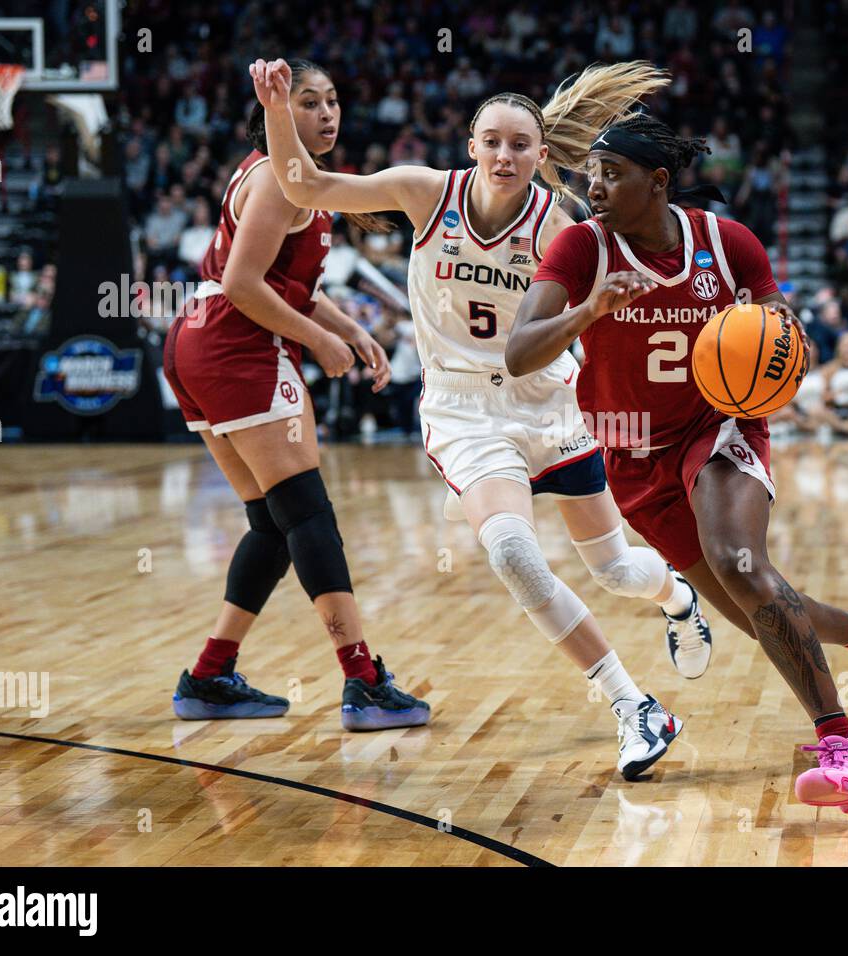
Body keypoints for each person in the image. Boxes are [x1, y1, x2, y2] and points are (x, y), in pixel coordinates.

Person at [253, 57, 705, 779]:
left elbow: (618, 320)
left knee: (617, 570)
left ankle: (678, 597)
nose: (504, 155)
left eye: (520, 145)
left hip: (549, 404)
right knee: (513, 556)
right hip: (466, 412)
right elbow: (304, 183)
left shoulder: (561, 227)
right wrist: (278, 108)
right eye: (491, 141)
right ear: (471, 146)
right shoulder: (425, 192)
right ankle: (633, 704)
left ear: (541, 156)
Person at [506, 114, 848, 815]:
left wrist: (787, 347)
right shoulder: (582, 248)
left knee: (742, 565)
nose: (594, 186)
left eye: (613, 174)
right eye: (592, 173)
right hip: (632, 451)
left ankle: (841, 748)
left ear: (658, 182)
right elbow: (519, 354)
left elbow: (786, 333)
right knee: (757, 609)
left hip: (717, 425)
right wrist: (586, 314)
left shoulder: (726, 245)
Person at [163, 59, 430, 732]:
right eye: (309, 103)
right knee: (309, 515)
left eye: (334, 100)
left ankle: (210, 675)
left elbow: (293, 286)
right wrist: (317, 341)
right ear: (277, 111)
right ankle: (364, 681)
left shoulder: (302, 181)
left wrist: (350, 330)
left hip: (199, 342)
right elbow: (245, 284)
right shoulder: (282, 185)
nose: (327, 113)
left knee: (273, 524)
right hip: (232, 342)